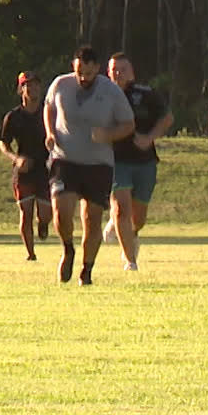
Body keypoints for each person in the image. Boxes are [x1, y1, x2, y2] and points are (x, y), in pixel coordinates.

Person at [44, 46, 135, 286]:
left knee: (92, 218)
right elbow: (49, 107)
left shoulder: (111, 92)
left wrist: (108, 134)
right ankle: (68, 249)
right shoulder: (61, 85)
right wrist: (51, 132)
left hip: (98, 164)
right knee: (61, 210)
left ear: (97, 68)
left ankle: (87, 269)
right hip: (65, 158)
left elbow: (128, 125)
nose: (82, 78)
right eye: (78, 72)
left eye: (87, 73)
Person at [103, 52, 173, 271]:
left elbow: (167, 118)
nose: (118, 73)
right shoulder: (100, 95)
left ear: (131, 73)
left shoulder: (146, 94)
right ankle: (130, 260)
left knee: (138, 217)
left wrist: (148, 138)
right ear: (108, 73)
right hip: (115, 161)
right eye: (114, 69)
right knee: (121, 208)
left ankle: (129, 233)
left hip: (144, 161)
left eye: (123, 69)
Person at [0, 71, 51, 260]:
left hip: (46, 169)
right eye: (27, 85)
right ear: (21, 89)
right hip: (24, 169)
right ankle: (31, 254)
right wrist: (15, 159)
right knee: (25, 212)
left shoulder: (48, 113)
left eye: (35, 84)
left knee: (46, 213)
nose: (32, 88)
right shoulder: (13, 116)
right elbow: (3, 143)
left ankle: (43, 223)